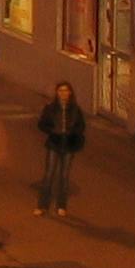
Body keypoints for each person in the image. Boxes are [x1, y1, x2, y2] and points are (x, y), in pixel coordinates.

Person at [37, 80, 86, 216]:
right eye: (60, 91)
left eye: (66, 90)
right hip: (54, 143)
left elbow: (81, 126)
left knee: (64, 176)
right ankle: (42, 206)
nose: (63, 93)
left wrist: (73, 133)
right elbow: (41, 124)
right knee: (49, 175)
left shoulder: (76, 110)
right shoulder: (50, 108)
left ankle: (61, 206)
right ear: (57, 93)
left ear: (70, 93)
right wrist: (52, 130)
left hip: (69, 145)